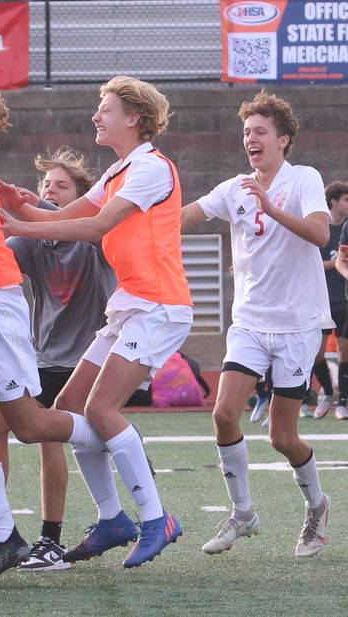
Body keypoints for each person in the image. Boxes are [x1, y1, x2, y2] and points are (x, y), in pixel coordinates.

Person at [0, 75, 190, 569]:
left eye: (104, 109)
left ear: (134, 118)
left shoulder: (151, 168)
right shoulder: (118, 171)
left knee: (103, 410)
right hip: (132, 305)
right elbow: (60, 216)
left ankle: (156, 519)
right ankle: (112, 519)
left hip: (160, 306)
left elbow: (96, 227)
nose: (95, 116)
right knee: (70, 407)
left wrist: (18, 223)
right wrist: (15, 202)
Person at [0, 148, 115, 571]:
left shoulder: (89, 241)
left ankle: (50, 539)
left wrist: (34, 206)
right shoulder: (27, 242)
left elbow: (91, 227)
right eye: (45, 185)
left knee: (47, 438)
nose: (50, 191)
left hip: (84, 357)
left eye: (61, 187)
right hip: (41, 353)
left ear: (78, 197)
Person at [181, 90, 331, 558]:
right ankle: (243, 514)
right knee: (224, 413)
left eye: (260, 131)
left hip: (297, 324)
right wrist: (128, 215)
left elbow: (321, 235)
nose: (251, 139)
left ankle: (317, 507)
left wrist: (271, 207)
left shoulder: (304, 178)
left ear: (283, 139)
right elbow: (182, 218)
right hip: (248, 322)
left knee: (282, 437)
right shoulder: (233, 188)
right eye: (247, 132)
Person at [319, 180, 348, 419]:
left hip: (344, 300)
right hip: (320, 301)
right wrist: (334, 263)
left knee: (344, 351)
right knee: (315, 355)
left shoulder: (346, 229)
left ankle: (342, 402)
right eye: (346, 200)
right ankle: (327, 392)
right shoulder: (320, 227)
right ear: (334, 202)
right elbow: (312, 264)